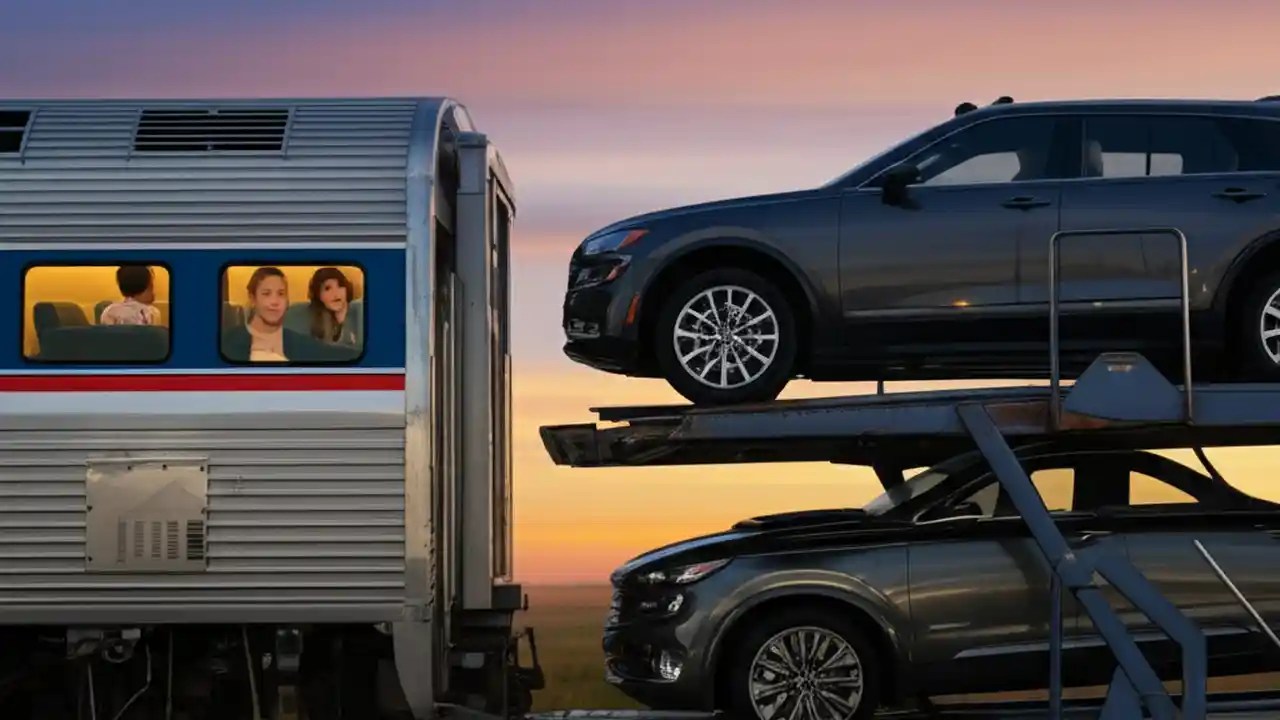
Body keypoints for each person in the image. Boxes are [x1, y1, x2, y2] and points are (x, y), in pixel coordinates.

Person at [307, 267, 359, 346]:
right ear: (318, 295)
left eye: (340, 285)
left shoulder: (359, 311)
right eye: (327, 288)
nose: (336, 293)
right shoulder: (320, 320)